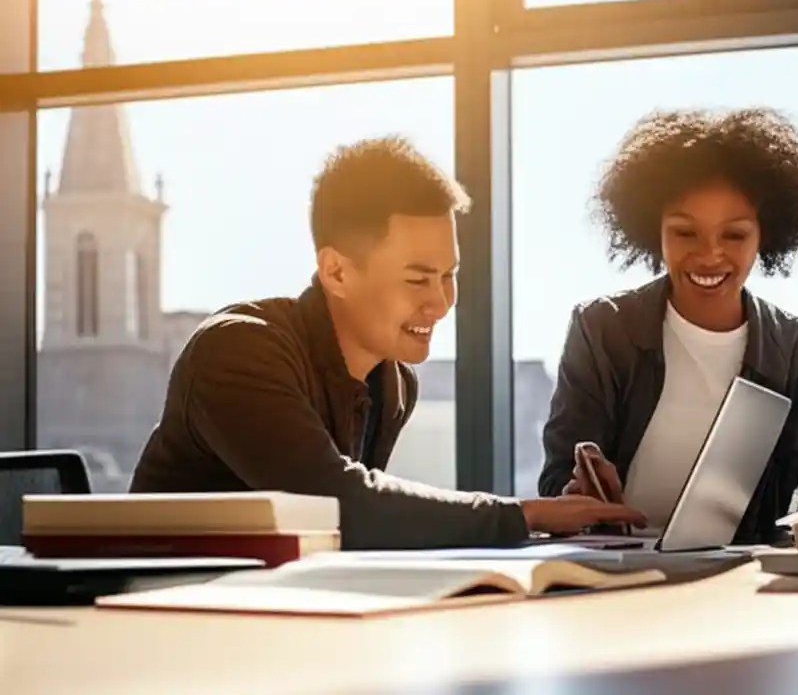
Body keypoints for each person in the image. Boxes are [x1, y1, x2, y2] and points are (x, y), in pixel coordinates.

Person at [131, 136, 645, 549]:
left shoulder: (393, 382)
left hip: (279, 617)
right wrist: (525, 514)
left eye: (449, 275)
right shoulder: (239, 351)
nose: (442, 303)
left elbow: (351, 534)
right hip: (152, 624)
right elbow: (341, 506)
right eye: (418, 279)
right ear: (335, 271)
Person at [537, 108, 798, 545]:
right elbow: (557, 477)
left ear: (764, 236)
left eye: (734, 235)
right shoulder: (603, 330)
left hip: (742, 577)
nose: (710, 255)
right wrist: (577, 494)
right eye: (685, 233)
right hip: (616, 568)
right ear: (656, 231)